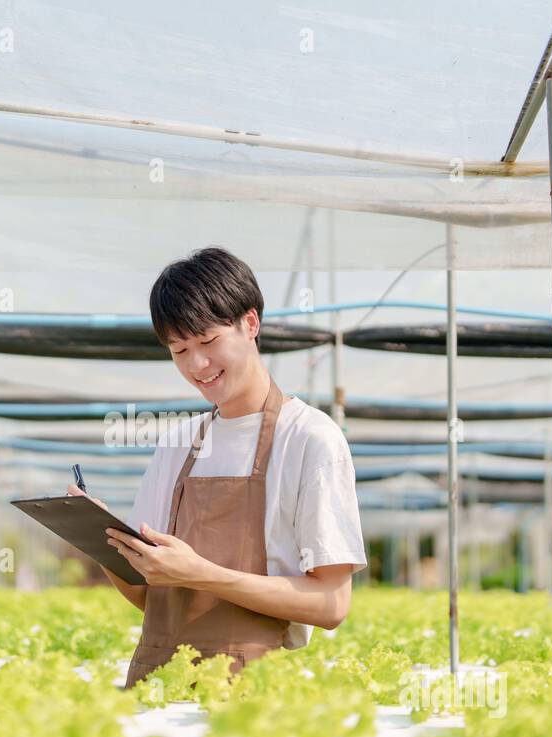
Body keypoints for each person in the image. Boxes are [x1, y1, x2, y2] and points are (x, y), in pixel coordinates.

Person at [67, 247, 367, 689]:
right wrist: (96, 536)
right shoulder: (176, 444)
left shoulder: (309, 438)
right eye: (180, 350)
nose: (197, 366)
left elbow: (331, 604)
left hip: (249, 695)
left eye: (208, 342)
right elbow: (150, 595)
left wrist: (201, 573)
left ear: (250, 324)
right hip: (158, 683)